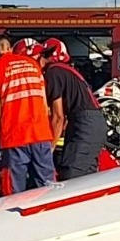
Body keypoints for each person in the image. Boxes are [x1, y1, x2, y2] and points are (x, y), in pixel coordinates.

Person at [0, 34, 56, 192]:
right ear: (10, 48)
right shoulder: (32, 64)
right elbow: (44, 103)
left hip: (15, 137)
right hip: (41, 134)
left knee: (15, 193)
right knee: (48, 188)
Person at [38, 37, 107, 180]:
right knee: (81, 172)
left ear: (46, 56)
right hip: (90, 122)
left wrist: (48, 150)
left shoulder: (53, 72)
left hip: (85, 123)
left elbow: (58, 117)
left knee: (73, 174)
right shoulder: (66, 71)